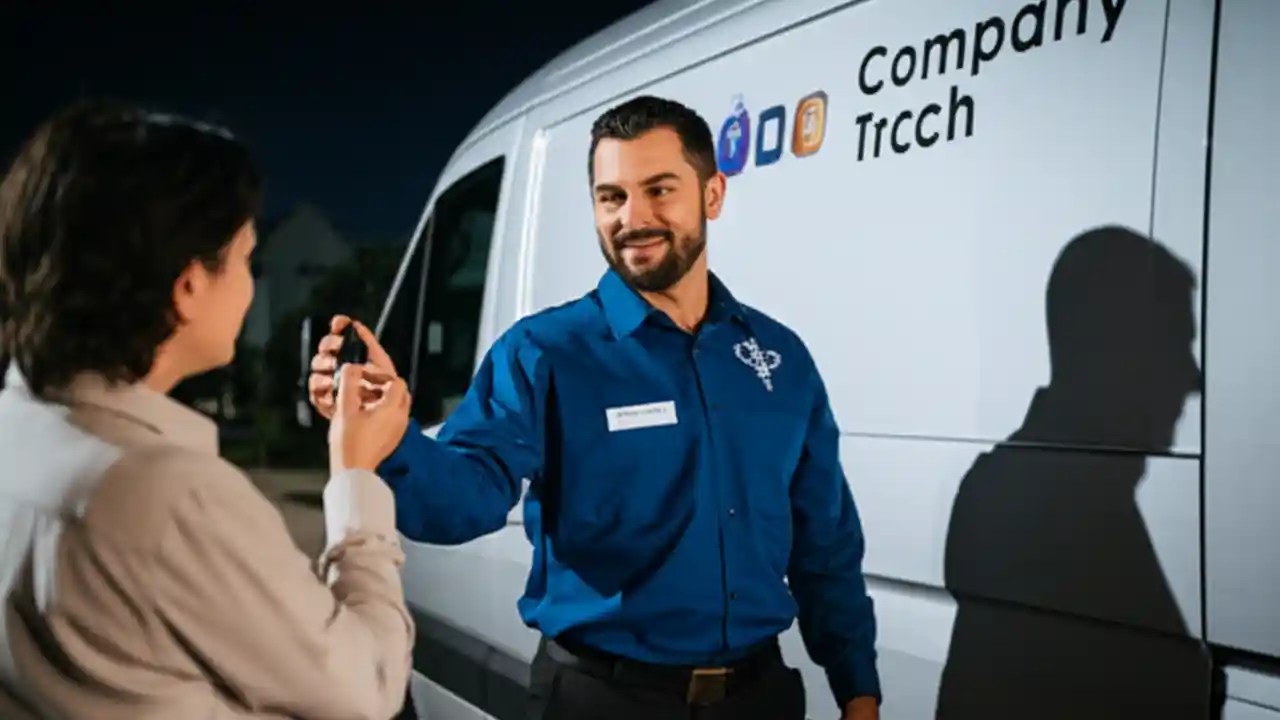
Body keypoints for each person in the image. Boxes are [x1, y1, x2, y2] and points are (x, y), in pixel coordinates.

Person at [309, 95, 880, 719]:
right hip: (602, 699)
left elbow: (826, 543)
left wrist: (858, 689)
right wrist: (388, 437)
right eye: (612, 197)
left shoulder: (778, 359)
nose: (634, 217)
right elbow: (464, 498)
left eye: (660, 190)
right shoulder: (542, 353)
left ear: (712, 195)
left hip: (759, 699)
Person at [0, 100, 416, 719]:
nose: (249, 285)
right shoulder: (169, 496)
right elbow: (369, 686)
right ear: (189, 285)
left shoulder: (20, 425)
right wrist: (354, 476)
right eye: (246, 258)